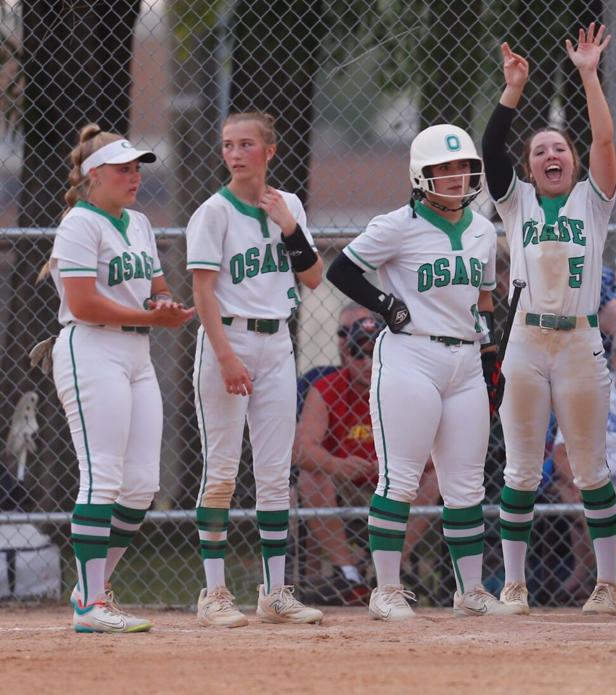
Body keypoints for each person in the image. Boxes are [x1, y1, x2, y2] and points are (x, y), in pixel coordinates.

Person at [326, 123, 501, 620]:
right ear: (421, 175)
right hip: (411, 355)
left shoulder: (483, 229)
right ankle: (385, 590)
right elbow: (343, 269)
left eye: (463, 167)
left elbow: (484, 298)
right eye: (443, 169)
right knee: (400, 478)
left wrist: (490, 355)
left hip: (465, 359)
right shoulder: (397, 224)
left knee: (466, 485)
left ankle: (470, 590)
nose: (455, 176)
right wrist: (385, 304)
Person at [481, 25, 616, 615]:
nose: (549, 156)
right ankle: (514, 585)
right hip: (525, 341)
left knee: (589, 469)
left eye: (558, 149)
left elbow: (606, 145)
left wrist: (589, 73)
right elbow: (492, 150)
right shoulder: (514, 203)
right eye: (539, 151)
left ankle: (608, 584)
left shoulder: (593, 200)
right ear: (530, 167)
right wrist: (513, 89)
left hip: (580, 342)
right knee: (519, 470)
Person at [49, 125, 193, 633]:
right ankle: (90, 605)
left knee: (140, 486)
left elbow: (155, 285)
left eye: (137, 169)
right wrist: (153, 319)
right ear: (94, 175)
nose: (134, 177)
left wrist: (163, 303)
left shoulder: (138, 222)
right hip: (92, 348)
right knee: (103, 475)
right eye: (123, 169)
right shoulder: (80, 223)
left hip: (135, 352)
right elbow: (84, 302)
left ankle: (93, 589)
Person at [187, 111, 325, 628]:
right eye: (228, 145)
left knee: (273, 473)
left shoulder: (287, 205)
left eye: (247, 144)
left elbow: (313, 276)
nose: (235, 153)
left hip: (277, 342)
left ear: (269, 151)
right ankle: (215, 593)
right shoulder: (213, 212)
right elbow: (202, 290)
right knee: (221, 470)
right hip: (229, 336)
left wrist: (289, 226)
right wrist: (225, 355)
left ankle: (274, 592)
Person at [552, 327, 616, 586]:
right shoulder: (598, 389)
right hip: (596, 481)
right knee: (586, 497)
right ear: (614, 356)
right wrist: (581, 480)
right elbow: (561, 451)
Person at [294, 314, 381, 595]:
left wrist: (392, 467)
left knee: (433, 477)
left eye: (374, 352)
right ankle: (350, 576)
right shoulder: (326, 387)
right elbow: (302, 450)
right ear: (345, 353)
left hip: (392, 481)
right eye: (358, 353)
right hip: (342, 482)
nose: (367, 363)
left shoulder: (401, 387)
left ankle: (386, 573)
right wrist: (339, 465)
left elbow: (434, 451)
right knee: (311, 474)